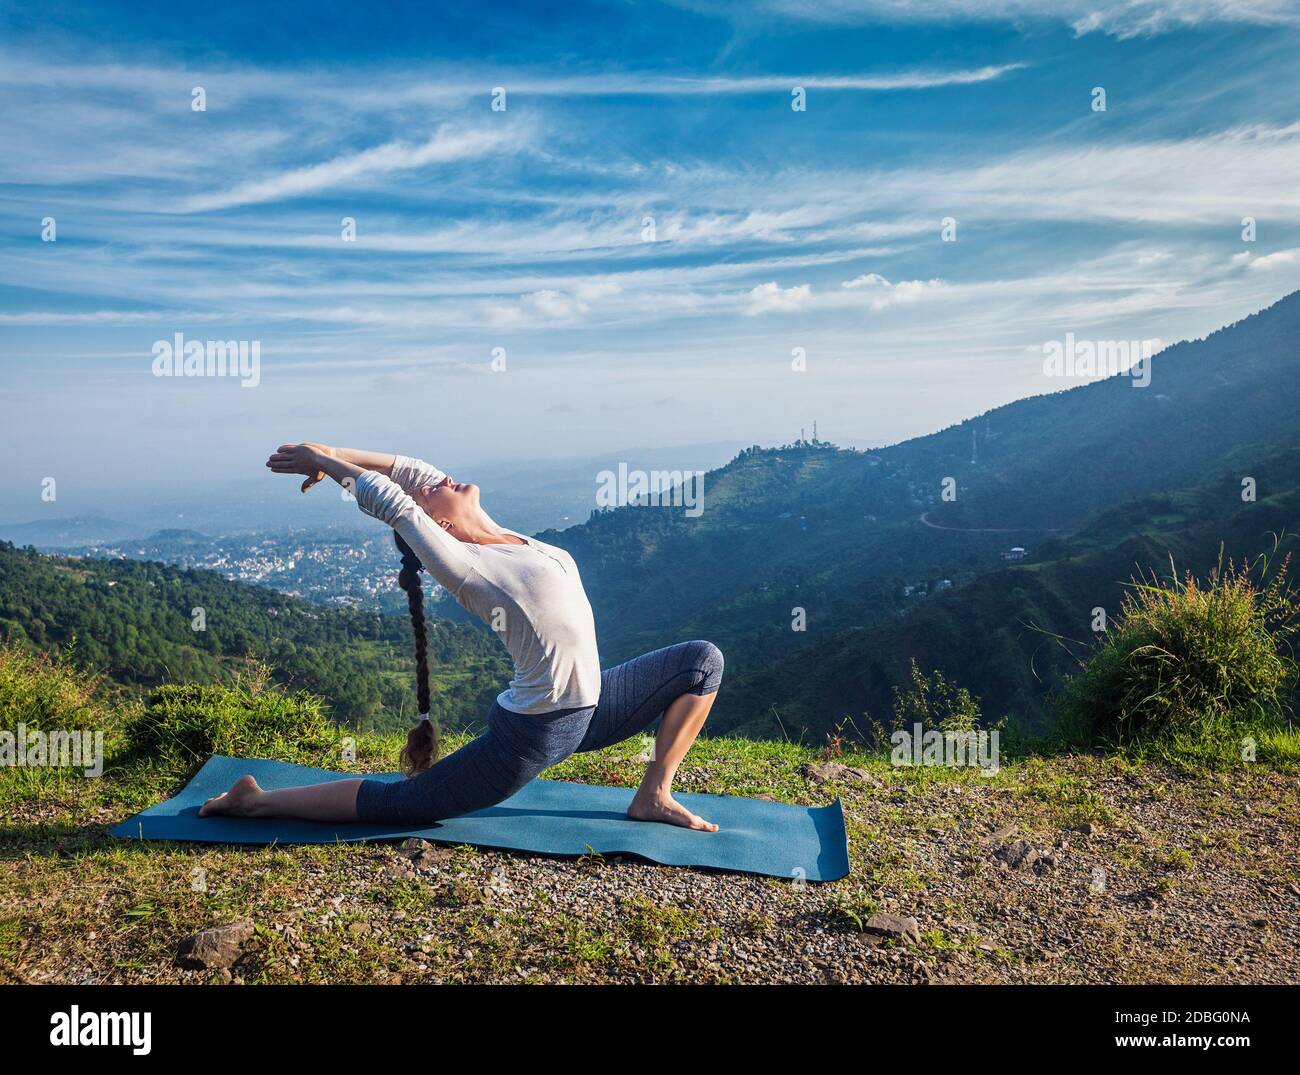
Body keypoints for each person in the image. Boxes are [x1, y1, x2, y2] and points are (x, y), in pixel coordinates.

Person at [199, 443, 724, 831]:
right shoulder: (467, 567)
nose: (441, 479)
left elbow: (408, 472)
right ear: (438, 531)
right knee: (401, 805)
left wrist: (331, 450)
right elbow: (396, 502)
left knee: (701, 662)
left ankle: (654, 793)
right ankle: (256, 801)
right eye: (434, 492)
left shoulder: (508, 537)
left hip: (589, 709)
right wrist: (328, 463)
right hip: (533, 733)